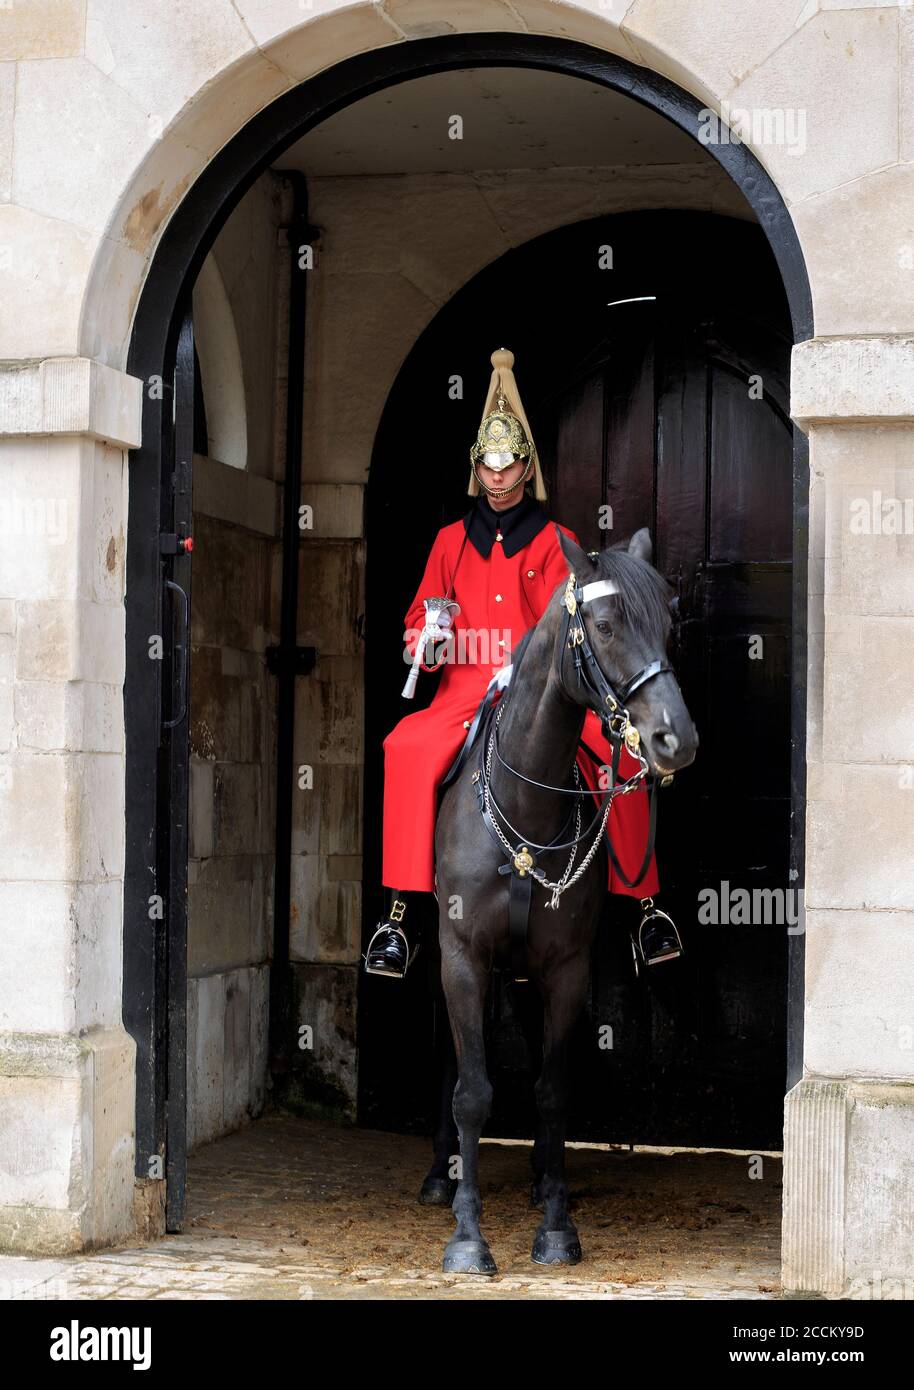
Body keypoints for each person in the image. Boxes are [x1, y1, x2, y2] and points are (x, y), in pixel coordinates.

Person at [365, 348, 682, 978]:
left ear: (526, 467)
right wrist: (427, 639)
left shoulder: (551, 539)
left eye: (508, 465)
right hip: (460, 699)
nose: (497, 475)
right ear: (476, 466)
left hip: (538, 698)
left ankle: (644, 907)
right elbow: (413, 637)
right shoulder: (448, 542)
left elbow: (564, 630)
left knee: (626, 755)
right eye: (487, 463)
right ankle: (398, 914)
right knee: (404, 747)